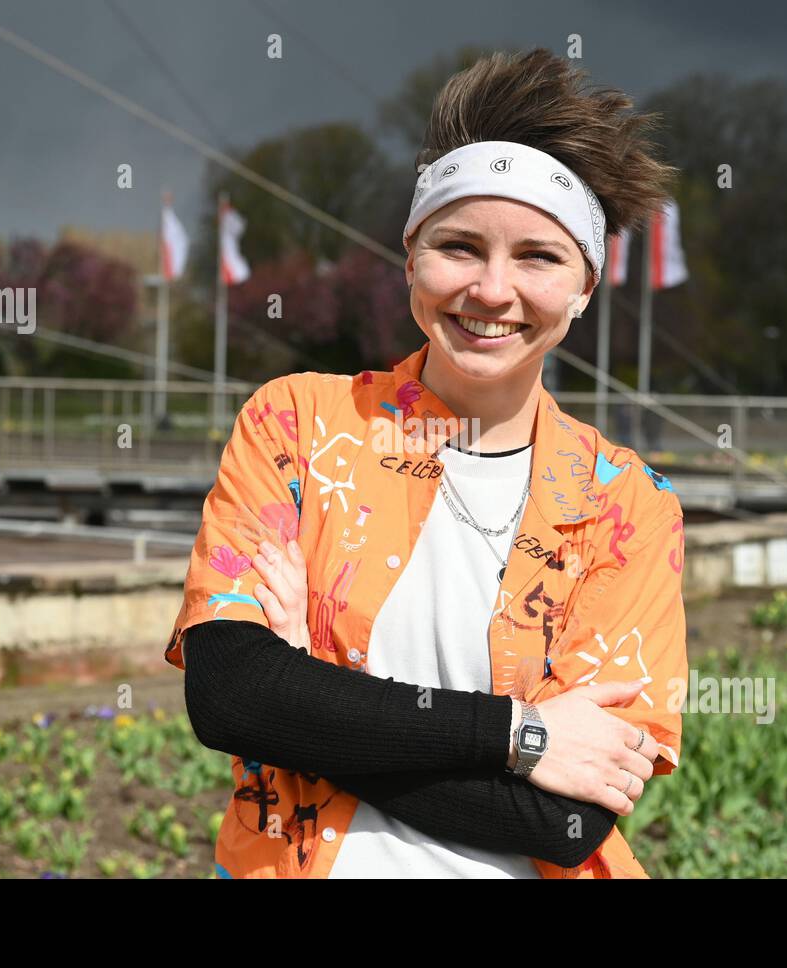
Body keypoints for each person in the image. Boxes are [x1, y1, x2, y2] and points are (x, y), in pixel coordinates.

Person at [167, 47, 687, 879]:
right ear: (411, 259)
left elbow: (566, 825)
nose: (491, 289)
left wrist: (308, 697)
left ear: (585, 286)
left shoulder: (627, 503)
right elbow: (229, 694)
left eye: (538, 257)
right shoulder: (297, 423)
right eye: (460, 246)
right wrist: (519, 735)